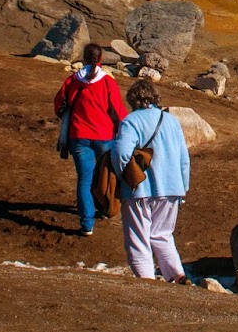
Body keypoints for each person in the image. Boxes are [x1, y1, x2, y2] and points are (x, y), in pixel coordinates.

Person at [111, 79, 191, 282]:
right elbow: (184, 158)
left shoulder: (131, 121)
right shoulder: (171, 121)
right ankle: (177, 275)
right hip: (172, 187)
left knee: (138, 237)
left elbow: (121, 153)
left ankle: (145, 281)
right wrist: (183, 186)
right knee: (162, 234)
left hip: (140, 188)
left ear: (133, 100)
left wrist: (123, 176)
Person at [53, 44, 128, 236]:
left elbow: (59, 104)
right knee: (105, 176)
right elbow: (117, 111)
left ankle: (87, 224)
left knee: (84, 179)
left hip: (79, 136)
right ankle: (104, 208)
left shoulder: (73, 81)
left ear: (84, 58)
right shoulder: (107, 82)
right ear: (101, 58)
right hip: (104, 136)